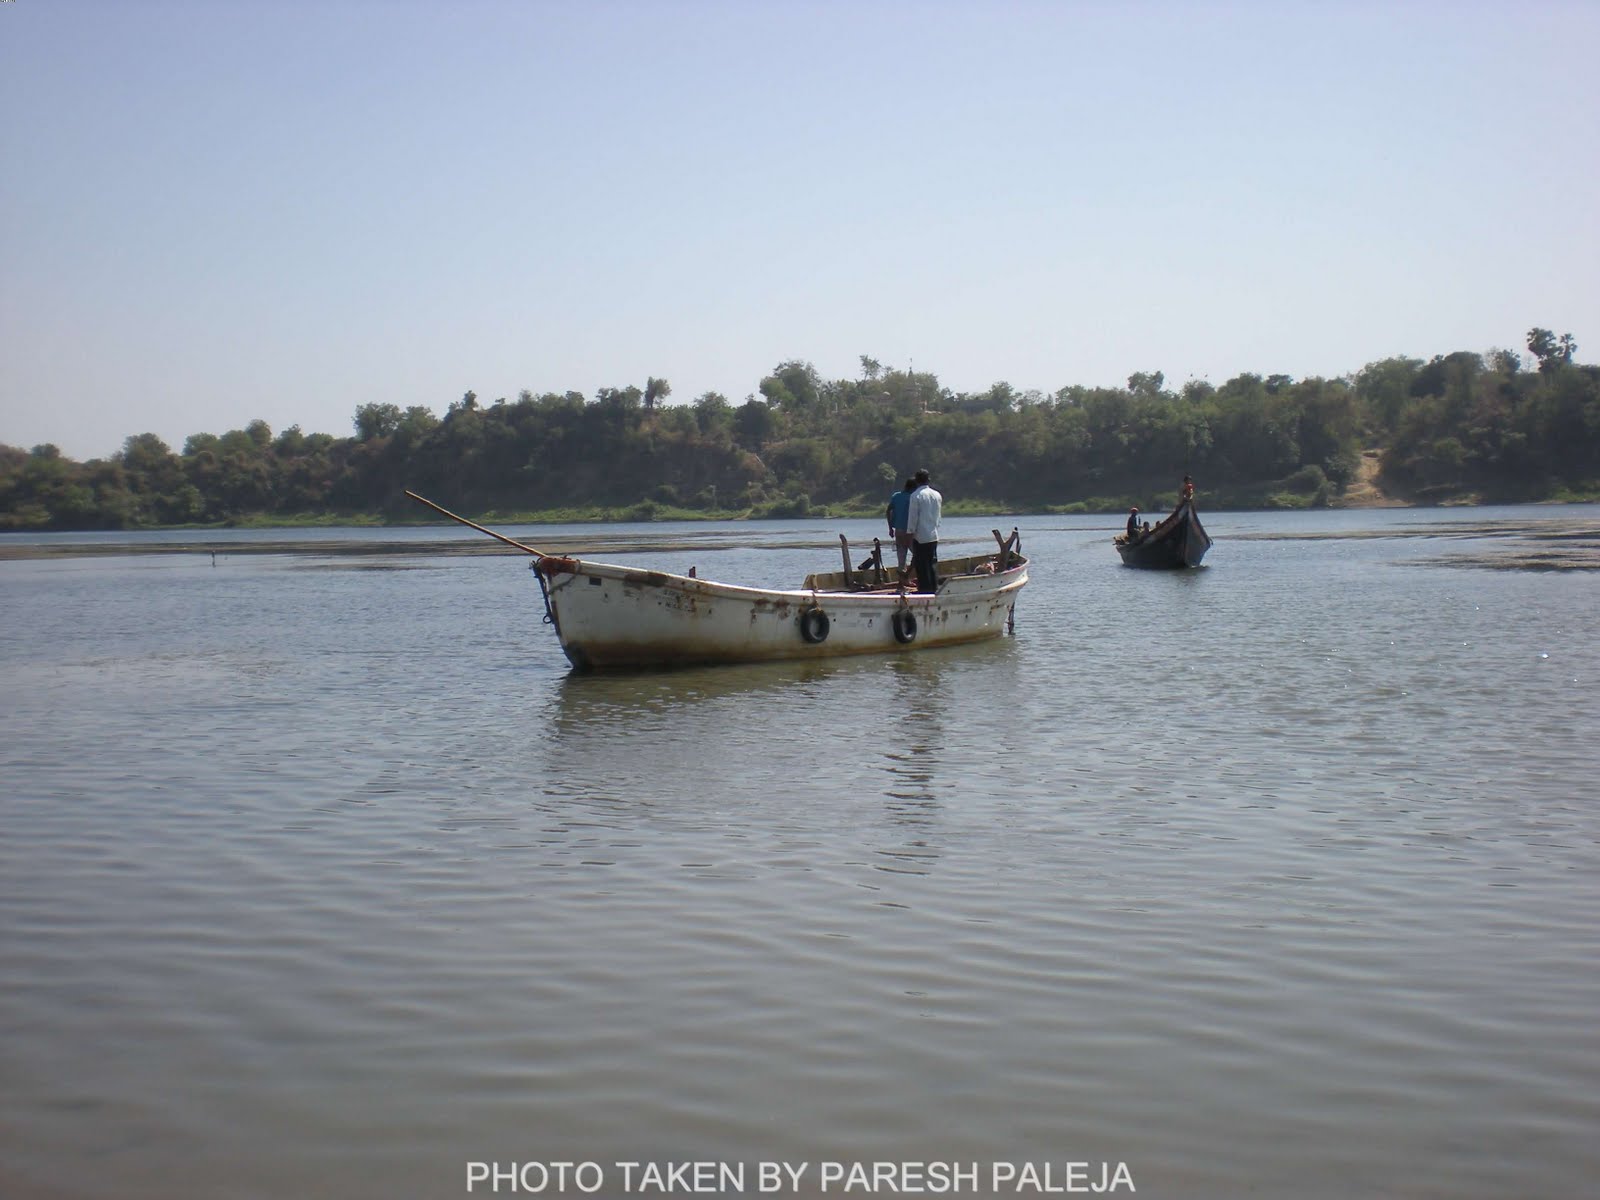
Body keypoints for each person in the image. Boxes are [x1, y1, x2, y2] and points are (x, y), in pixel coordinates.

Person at [906, 468, 942, 594]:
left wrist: (910, 533)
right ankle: (934, 588)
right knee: (932, 563)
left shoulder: (916, 496)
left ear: (917, 481)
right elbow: (938, 516)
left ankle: (925, 590)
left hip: (920, 536)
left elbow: (913, 518)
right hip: (933, 534)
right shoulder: (937, 495)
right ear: (928, 480)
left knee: (921, 565)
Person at [886, 478, 915, 571]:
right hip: (910, 532)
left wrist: (890, 528)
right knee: (919, 555)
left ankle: (902, 576)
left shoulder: (896, 496)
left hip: (899, 531)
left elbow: (888, 511)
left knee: (901, 558)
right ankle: (910, 573)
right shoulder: (913, 497)